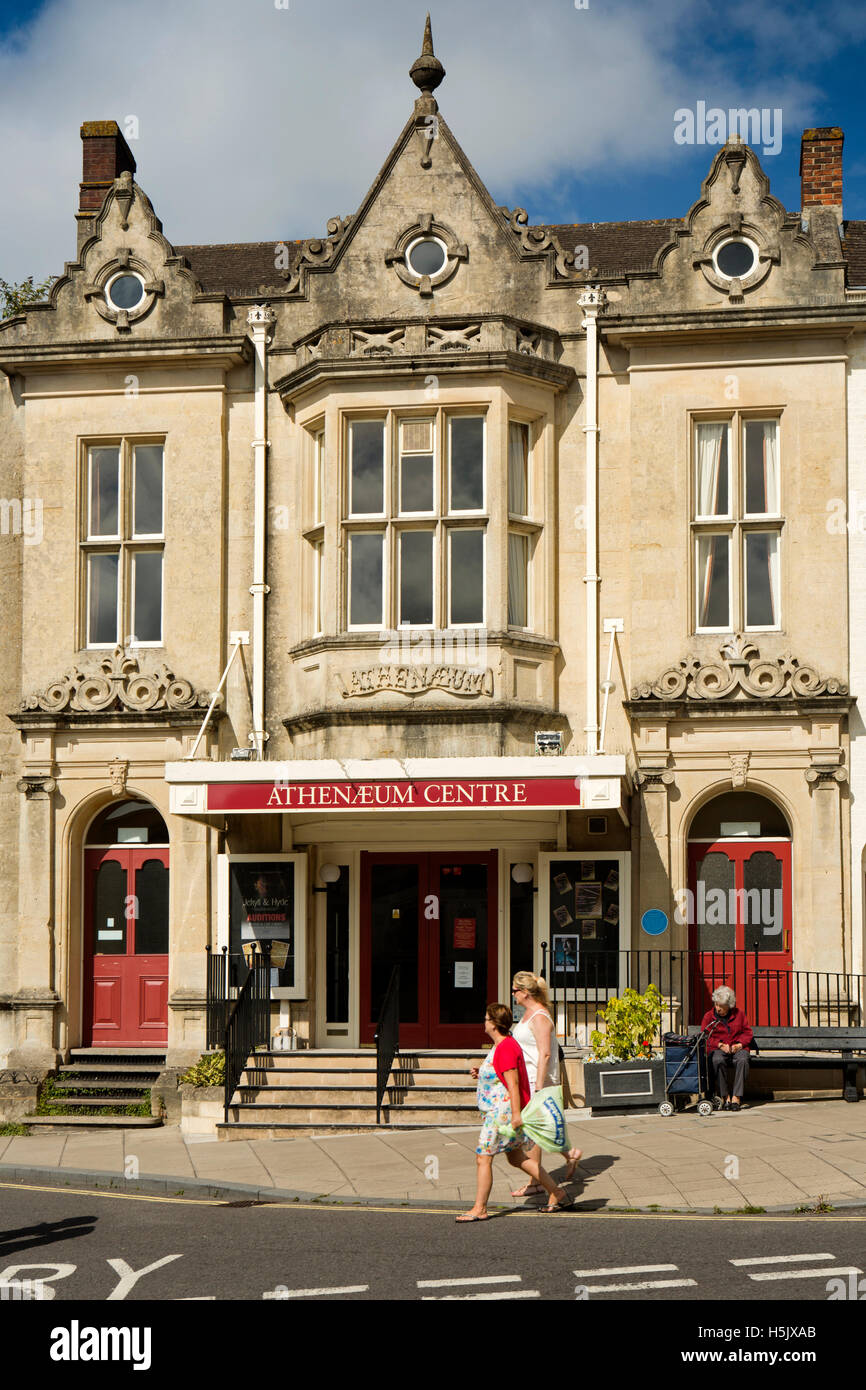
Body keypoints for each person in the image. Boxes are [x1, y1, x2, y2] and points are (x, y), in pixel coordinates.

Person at [458, 1003, 573, 1220]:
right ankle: (556, 1192)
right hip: (504, 1112)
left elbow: (513, 1083)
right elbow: (500, 1073)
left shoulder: (505, 1047)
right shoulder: (504, 1044)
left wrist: (516, 1115)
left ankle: (480, 1209)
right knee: (516, 1157)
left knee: (483, 1158)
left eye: (486, 1018)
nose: (483, 1022)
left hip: (501, 1115)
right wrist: (481, 1072)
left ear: (493, 1024)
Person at [509, 971, 582, 1198]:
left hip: (535, 1080)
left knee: (533, 1130)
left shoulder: (540, 1016)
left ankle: (537, 1180)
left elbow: (546, 1054)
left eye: (514, 990)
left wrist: (538, 1087)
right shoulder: (528, 1014)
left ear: (525, 992)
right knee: (536, 1130)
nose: (512, 995)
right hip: (527, 1078)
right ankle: (566, 1156)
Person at [701, 985, 753, 1110]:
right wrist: (719, 1044)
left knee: (743, 1060)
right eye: (716, 1004)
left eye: (722, 1006)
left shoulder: (739, 1014)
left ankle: (736, 1097)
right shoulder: (709, 1017)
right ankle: (725, 1096)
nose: (718, 1008)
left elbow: (748, 1033)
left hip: (737, 1048)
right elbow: (705, 1036)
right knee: (717, 1060)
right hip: (718, 1049)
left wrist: (739, 1044)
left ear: (729, 1005)